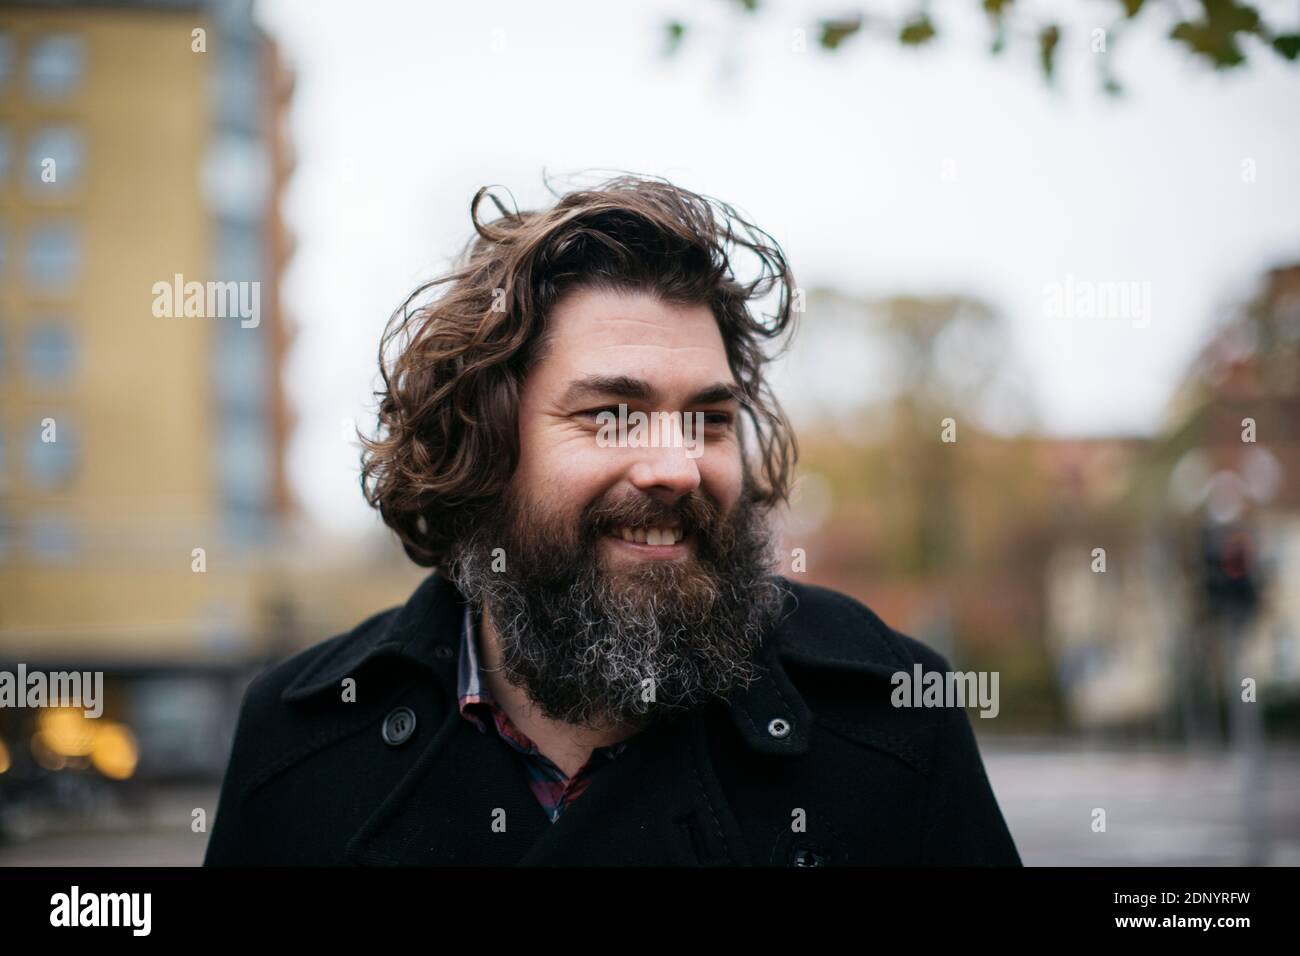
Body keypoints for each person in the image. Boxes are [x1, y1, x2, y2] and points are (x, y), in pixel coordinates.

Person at [204, 173, 1021, 866]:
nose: (675, 466)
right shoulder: (302, 743)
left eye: (708, 420)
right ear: (483, 444)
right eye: (613, 415)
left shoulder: (890, 724)